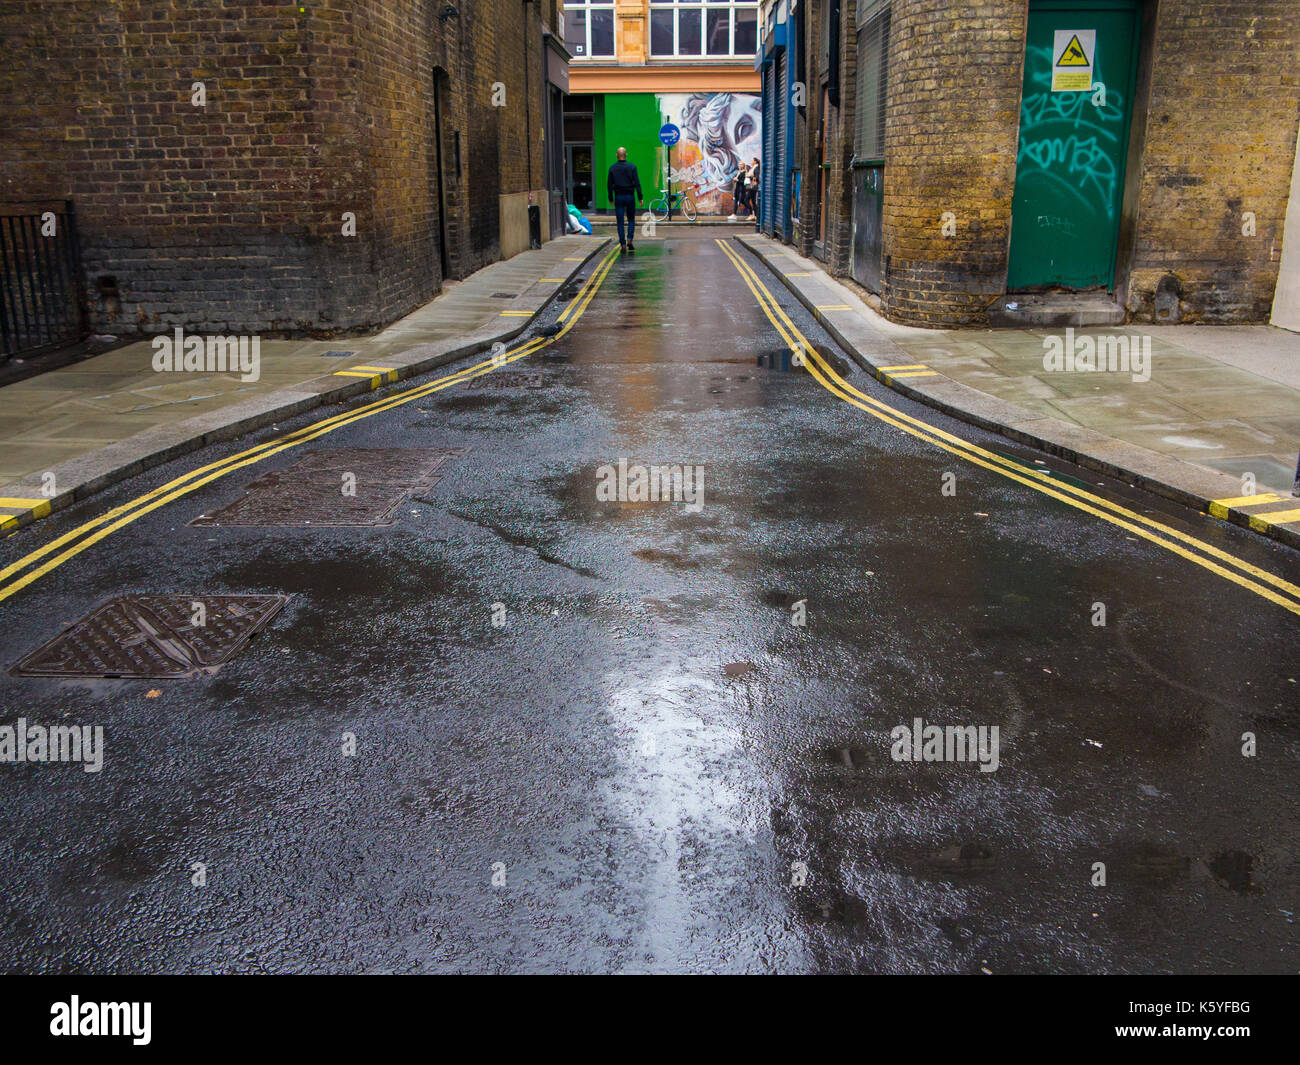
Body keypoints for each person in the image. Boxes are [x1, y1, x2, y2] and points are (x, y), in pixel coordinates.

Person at [606, 146, 643, 252]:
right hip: (630, 196)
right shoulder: (632, 167)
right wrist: (640, 197)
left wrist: (610, 198)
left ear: (617, 155)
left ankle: (622, 244)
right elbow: (637, 183)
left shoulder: (612, 168)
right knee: (631, 219)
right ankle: (630, 239)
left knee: (620, 221)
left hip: (618, 197)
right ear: (626, 154)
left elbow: (609, 185)